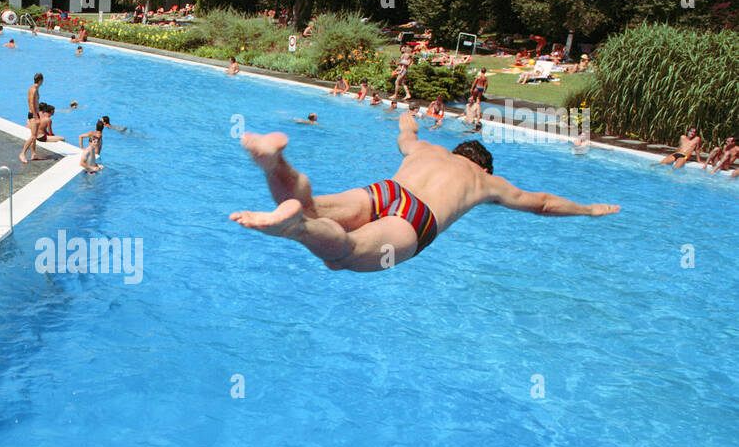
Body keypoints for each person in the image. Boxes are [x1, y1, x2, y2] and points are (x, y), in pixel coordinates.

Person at [229, 115, 620, 272]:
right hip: (418, 219)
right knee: (343, 253)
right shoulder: (486, 181)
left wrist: (407, 119)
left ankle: (276, 163)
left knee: (312, 206)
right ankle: (295, 228)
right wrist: (588, 210)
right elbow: (544, 203)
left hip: (387, 191)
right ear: (482, 166)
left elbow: (406, 132)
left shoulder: (424, 150)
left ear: (455, 151)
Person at [21, 73, 44, 163]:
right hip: (33, 115)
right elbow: (31, 104)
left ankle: (33, 154)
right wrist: (36, 117)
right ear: (40, 80)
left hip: (35, 114)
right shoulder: (33, 90)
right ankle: (22, 153)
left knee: (34, 135)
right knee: (33, 136)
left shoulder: (34, 89)